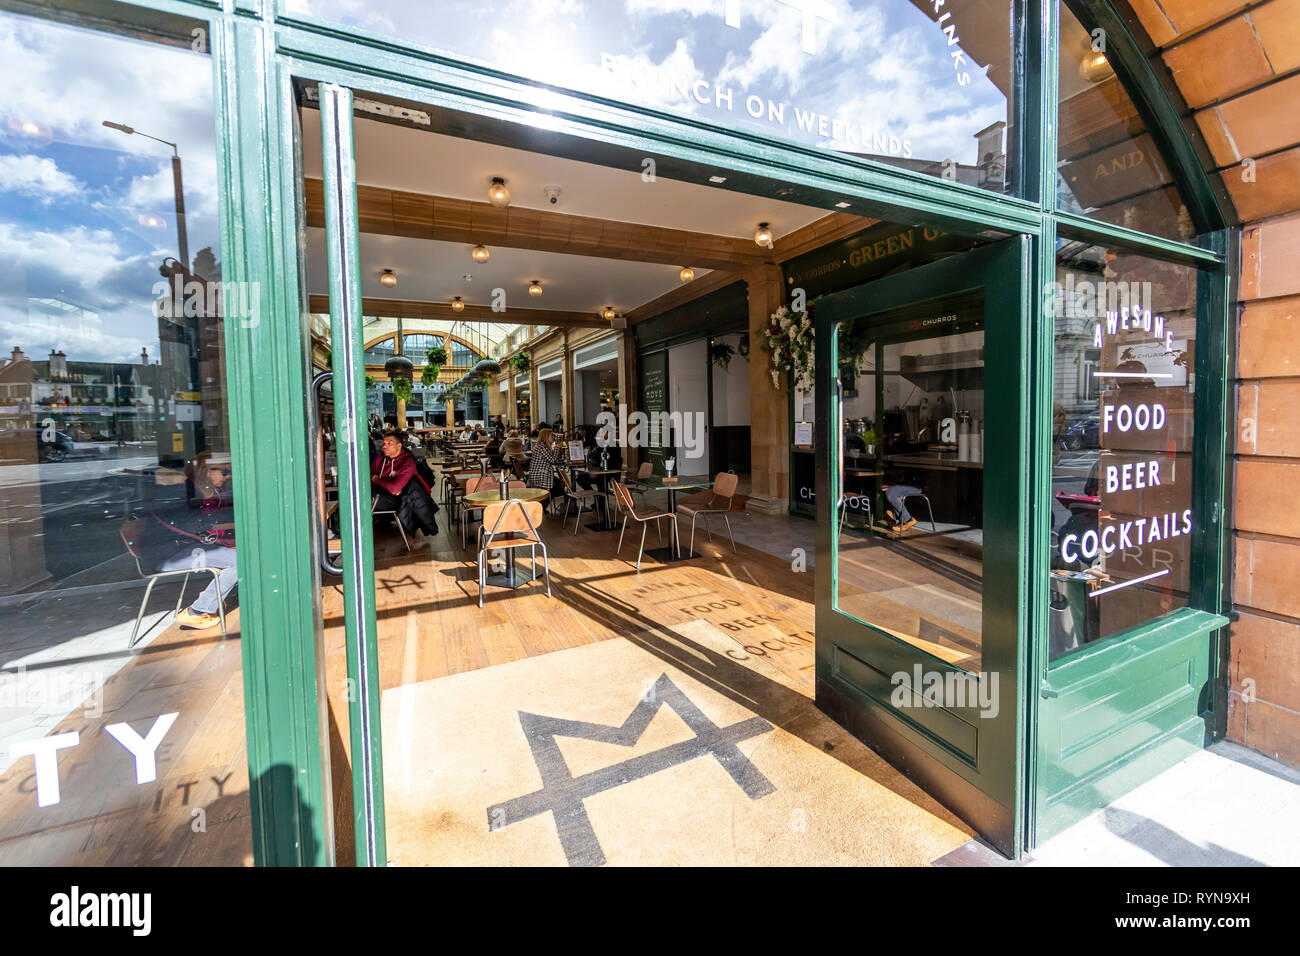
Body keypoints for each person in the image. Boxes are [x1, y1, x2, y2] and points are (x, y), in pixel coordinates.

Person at [143, 452, 238, 630]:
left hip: (185, 546)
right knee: (240, 562)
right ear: (204, 471)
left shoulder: (209, 490)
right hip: (168, 554)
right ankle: (198, 611)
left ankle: (218, 596)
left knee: (240, 554)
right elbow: (196, 526)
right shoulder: (187, 493)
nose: (229, 476)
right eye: (224, 472)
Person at [371, 431, 439, 536]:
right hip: (380, 494)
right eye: (384, 443)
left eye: (390, 443)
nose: (385, 446)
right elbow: (369, 477)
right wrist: (383, 484)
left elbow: (394, 488)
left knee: (359, 503)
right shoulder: (379, 459)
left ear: (399, 446)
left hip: (397, 500)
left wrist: (377, 480)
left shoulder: (408, 463)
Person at [526, 426, 563, 509]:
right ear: (546, 436)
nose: (554, 437)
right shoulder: (542, 447)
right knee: (559, 487)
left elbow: (551, 459)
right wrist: (557, 447)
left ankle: (542, 507)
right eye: (552, 435)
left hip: (541, 474)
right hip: (540, 476)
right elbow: (552, 460)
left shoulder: (542, 446)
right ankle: (541, 507)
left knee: (559, 486)